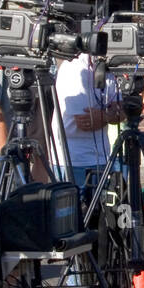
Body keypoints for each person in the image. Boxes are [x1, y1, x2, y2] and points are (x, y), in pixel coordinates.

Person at [52, 51, 120, 190]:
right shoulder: (74, 67)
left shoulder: (109, 67)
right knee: (76, 210)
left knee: (103, 210)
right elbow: (85, 122)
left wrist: (104, 116)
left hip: (102, 158)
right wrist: (109, 115)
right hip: (73, 161)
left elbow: (122, 111)